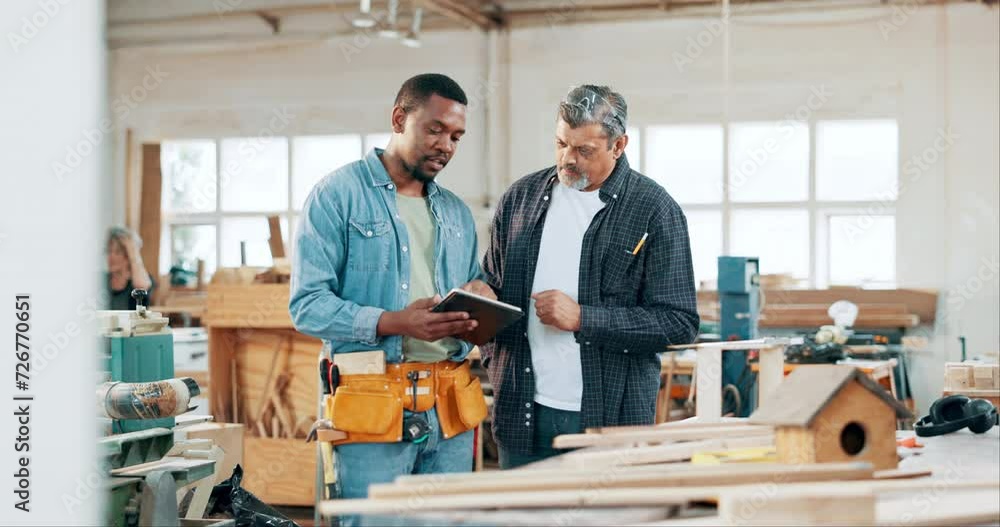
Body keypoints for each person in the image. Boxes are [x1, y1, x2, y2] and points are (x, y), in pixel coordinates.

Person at [289, 74, 494, 511]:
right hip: (372, 404)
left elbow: (473, 281)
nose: (446, 146)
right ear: (400, 118)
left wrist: (482, 295)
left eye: (456, 136)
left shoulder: (456, 212)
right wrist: (396, 322)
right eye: (435, 129)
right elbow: (307, 306)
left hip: (450, 408)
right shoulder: (337, 196)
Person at [480, 85, 700, 468]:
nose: (568, 159)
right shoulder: (520, 199)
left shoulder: (654, 210)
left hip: (610, 422)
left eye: (584, 151)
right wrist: (479, 296)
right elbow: (494, 286)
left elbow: (679, 323)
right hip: (521, 412)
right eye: (561, 144)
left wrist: (584, 318)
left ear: (618, 146)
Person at [106, 226, 154, 310]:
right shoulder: (101, 280)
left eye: (117, 252)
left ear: (129, 255)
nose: (111, 257)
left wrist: (132, 248)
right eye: (109, 251)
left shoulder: (141, 279)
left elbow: (141, 286)